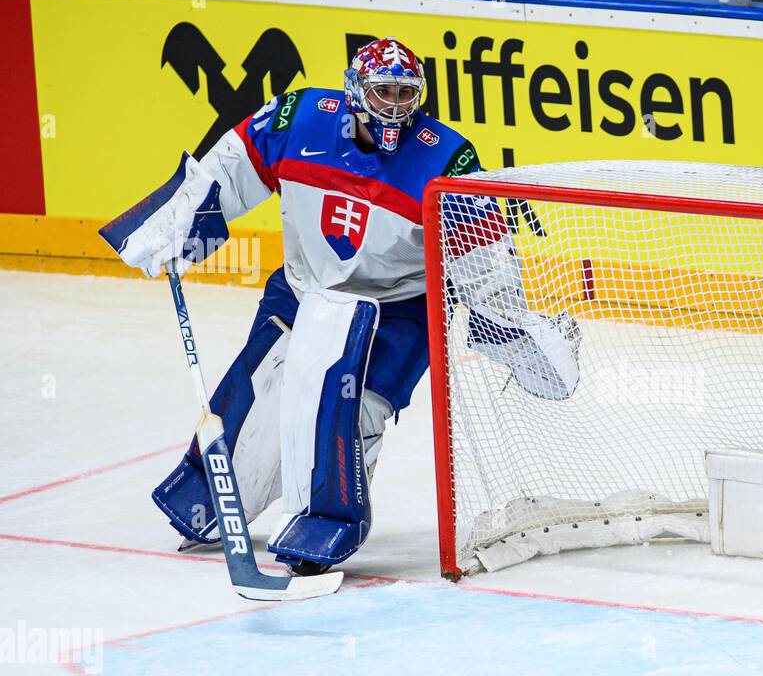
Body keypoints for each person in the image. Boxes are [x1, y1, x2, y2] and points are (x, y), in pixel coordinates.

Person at [108, 37, 578, 575]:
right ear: (356, 92)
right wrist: (181, 227)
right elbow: (228, 169)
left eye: (407, 94)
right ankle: (212, 496)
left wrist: (511, 330)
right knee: (257, 397)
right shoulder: (298, 117)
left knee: (349, 415)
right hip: (305, 291)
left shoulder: (448, 157)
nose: (396, 107)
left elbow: (484, 264)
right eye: (385, 93)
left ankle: (327, 521)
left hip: (398, 314)